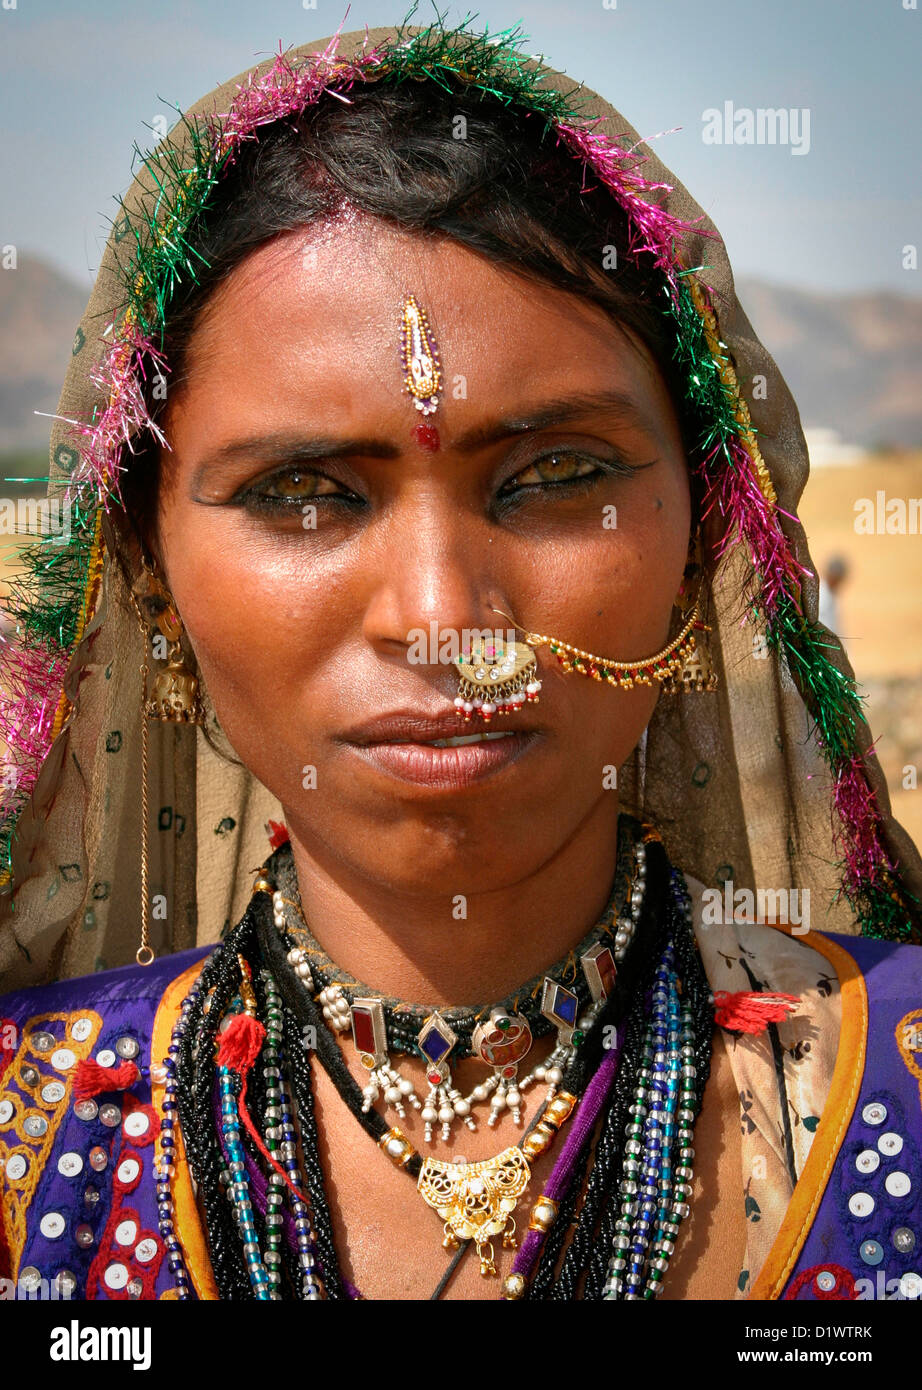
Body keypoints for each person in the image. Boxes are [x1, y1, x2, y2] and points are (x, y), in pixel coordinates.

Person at [1, 15, 921, 1304]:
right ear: (148, 572)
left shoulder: (897, 1096)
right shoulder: (29, 1140)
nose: (440, 613)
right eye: (305, 492)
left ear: (709, 526)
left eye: (557, 478)